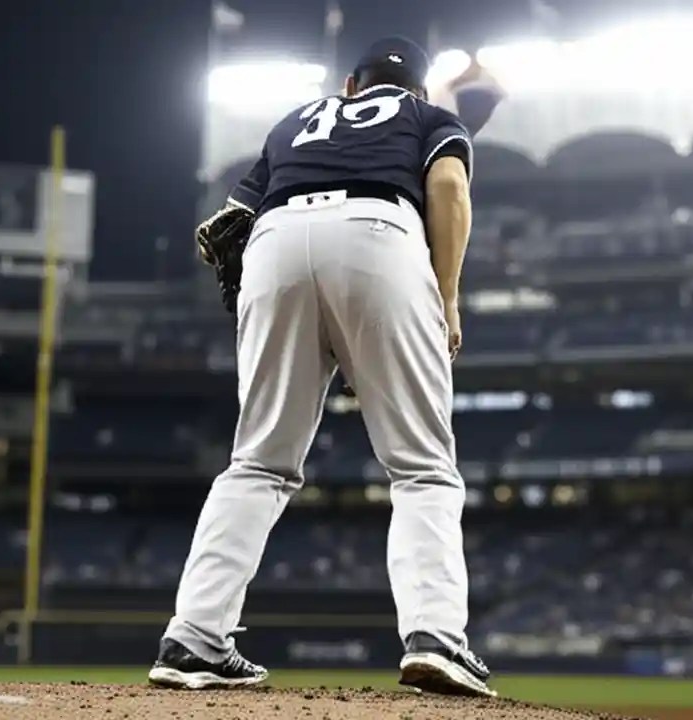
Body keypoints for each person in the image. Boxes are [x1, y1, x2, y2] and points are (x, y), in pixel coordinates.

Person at [148, 36, 493, 698]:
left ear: (349, 84)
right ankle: (436, 636)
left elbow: (228, 224)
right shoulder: (429, 118)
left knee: (255, 461)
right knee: (422, 466)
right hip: (380, 234)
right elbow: (448, 186)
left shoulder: (296, 121)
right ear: (418, 90)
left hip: (276, 242)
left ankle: (192, 636)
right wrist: (447, 297)